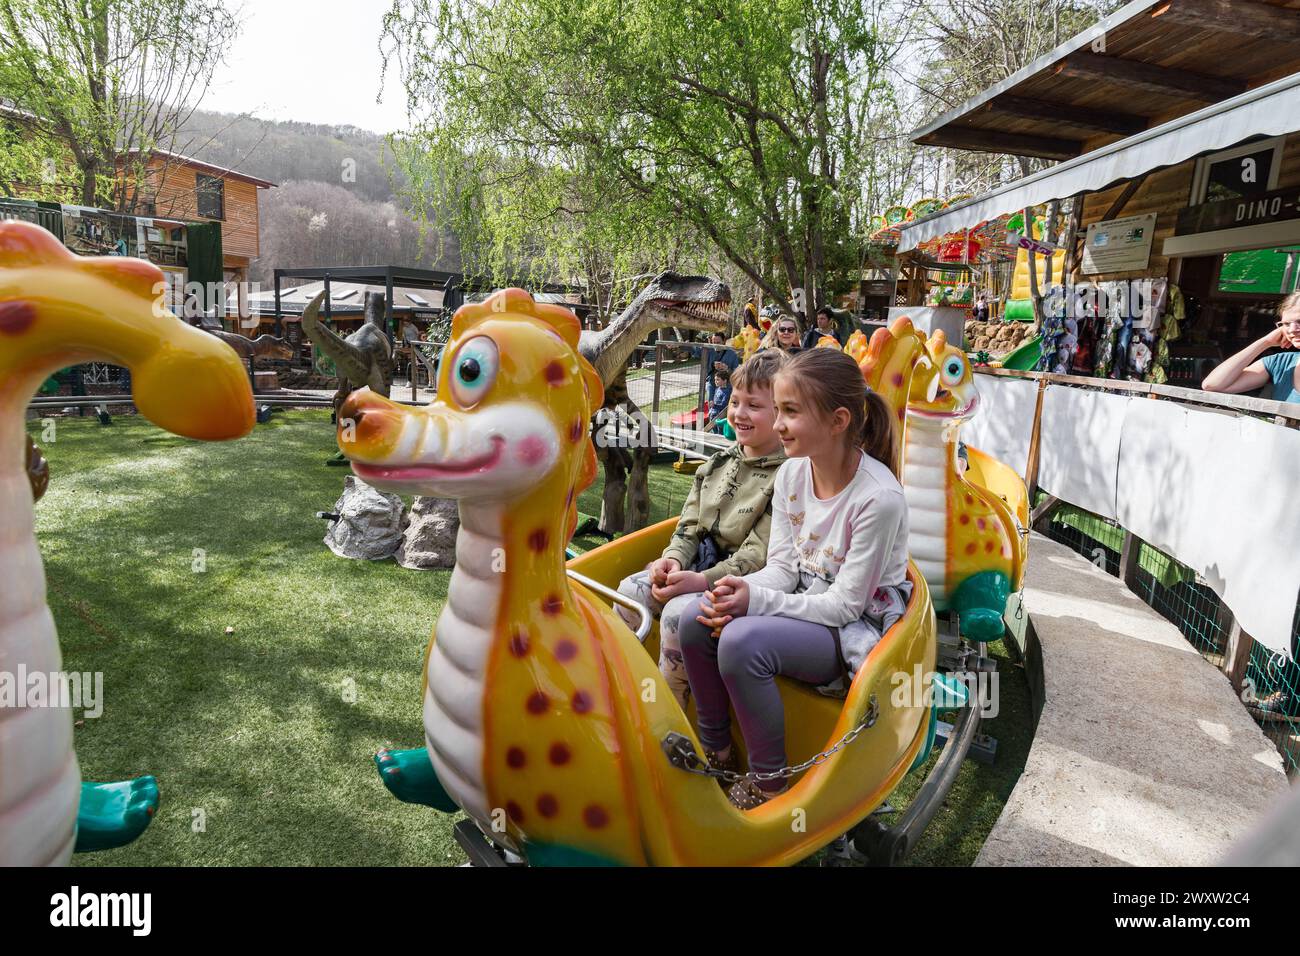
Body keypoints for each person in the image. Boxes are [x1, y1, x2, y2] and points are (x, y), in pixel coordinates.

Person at [676, 349, 911, 810]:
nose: (778, 424)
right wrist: (734, 591)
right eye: (778, 410)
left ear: (838, 420)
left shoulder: (878, 498)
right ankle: (719, 753)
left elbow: (845, 606)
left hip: (851, 627)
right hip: (808, 602)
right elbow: (784, 568)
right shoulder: (792, 476)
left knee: (742, 642)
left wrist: (755, 604)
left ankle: (770, 784)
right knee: (693, 619)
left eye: (790, 412)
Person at [615, 351, 789, 710]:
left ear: (782, 413)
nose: (739, 413)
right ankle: (623, 689)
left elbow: (757, 554)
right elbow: (688, 526)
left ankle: (671, 714)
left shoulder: (787, 477)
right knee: (628, 591)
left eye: (753, 405)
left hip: (739, 584)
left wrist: (702, 580)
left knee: (680, 615)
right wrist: (672, 561)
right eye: (736, 401)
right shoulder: (716, 464)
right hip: (695, 568)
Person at [1202, 292, 1300, 402]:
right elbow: (1212, 385)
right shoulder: (1281, 363)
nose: (1292, 329)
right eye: (1286, 324)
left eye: (1299, 322)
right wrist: (1265, 342)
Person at [705, 366, 731, 433]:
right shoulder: (718, 389)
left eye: (718, 380)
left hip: (720, 416)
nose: (715, 381)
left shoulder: (727, 392)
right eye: (715, 379)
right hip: (713, 414)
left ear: (725, 380)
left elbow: (724, 406)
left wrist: (714, 405)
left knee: (720, 432)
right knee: (713, 431)